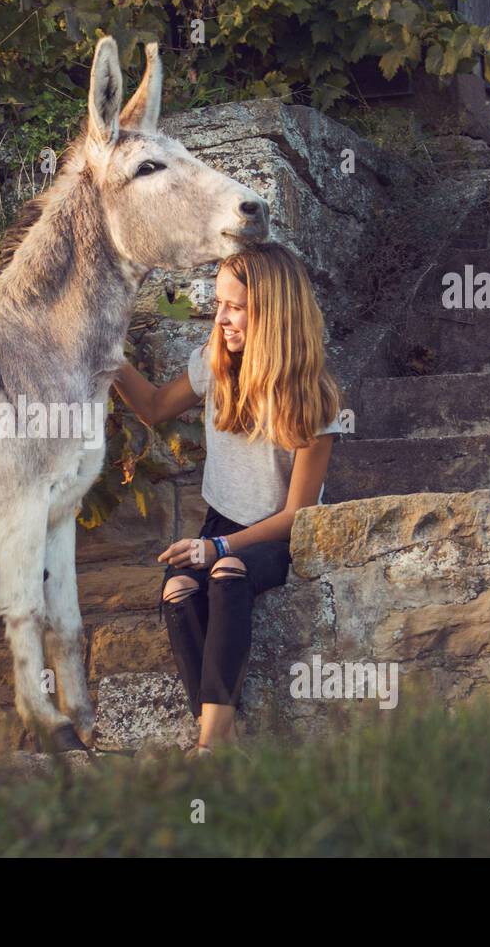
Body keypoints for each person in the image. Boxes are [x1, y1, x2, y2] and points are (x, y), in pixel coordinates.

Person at [112, 244, 344, 755]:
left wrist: (217, 550)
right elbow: (152, 406)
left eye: (235, 307)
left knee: (226, 574)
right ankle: (224, 735)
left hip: (280, 533)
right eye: (219, 304)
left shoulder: (316, 400)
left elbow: (296, 517)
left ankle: (210, 746)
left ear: (273, 311)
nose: (221, 319)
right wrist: (108, 359)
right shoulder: (216, 364)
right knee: (176, 591)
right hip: (223, 521)